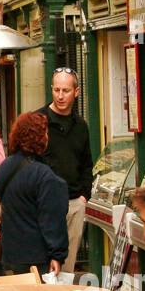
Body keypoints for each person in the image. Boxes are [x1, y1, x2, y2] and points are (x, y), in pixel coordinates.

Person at [0, 111, 68, 278]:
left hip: (10, 251)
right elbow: (51, 219)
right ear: (39, 137)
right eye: (46, 133)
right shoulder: (43, 175)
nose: (48, 137)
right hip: (37, 256)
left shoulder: (5, 166)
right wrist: (57, 254)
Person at [39, 68, 93, 273]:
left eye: (66, 91)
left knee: (67, 268)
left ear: (76, 92)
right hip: (46, 204)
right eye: (56, 90)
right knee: (46, 268)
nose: (60, 96)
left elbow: (87, 163)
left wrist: (83, 196)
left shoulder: (81, 125)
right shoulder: (39, 121)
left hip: (74, 202)